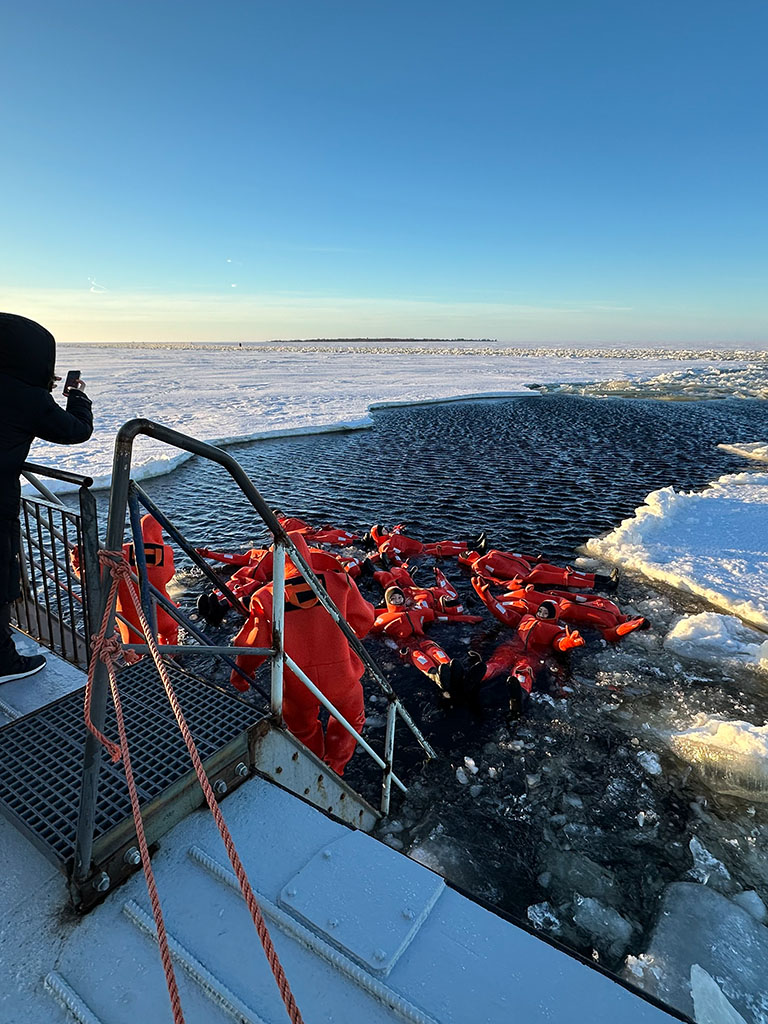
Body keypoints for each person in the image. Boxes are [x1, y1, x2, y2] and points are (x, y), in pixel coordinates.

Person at [230, 531, 375, 776]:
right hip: (342, 677)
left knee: (303, 730)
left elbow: (253, 646)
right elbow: (365, 621)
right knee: (350, 721)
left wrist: (241, 676)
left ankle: (314, 767)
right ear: (307, 555)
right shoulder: (340, 582)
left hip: (298, 687)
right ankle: (336, 767)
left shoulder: (266, 596)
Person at [0, 314, 93, 683]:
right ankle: (3, 663)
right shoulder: (28, 397)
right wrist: (77, 397)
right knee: (2, 577)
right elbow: (76, 430)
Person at [370, 585, 482, 697]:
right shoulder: (384, 619)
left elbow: (437, 616)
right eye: (393, 599)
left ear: (404, 598)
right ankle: (436, 676)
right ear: (388, 602)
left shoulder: (416, 610)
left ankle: (454, 670)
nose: (397, 601)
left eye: (399, 597)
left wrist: (466, 618)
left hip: (421, 639)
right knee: (417, 655)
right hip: (404, 644)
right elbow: (370, 631)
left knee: (433, 649)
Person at [471, 576, 649, 641]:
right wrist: (554, 593)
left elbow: (611, 634)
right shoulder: (610, 605)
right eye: (632, 617)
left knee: (522, 605)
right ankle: (488, 597)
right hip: (558, 604)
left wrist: (628, 628)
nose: (628, 617)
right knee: (524, 595)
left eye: (631, 620)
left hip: (555, 613)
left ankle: (489, 600)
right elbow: (579, 597)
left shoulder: (608, 621)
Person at [117, 515, 178, 653]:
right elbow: (169, 575)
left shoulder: (122, 552)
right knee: (171, 635)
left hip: (132, 619)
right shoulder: (166, 552)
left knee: (134, 654)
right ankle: (171, 658)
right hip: (161, 612)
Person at [458, 545, 619, 591]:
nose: (470, 552)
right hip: (527, 577)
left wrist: (534, 559)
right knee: (559, 577)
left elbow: (515, 555)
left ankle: (602, 578)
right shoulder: (478, 565)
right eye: (466, 553)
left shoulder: (492, 552)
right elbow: (488, 580)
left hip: (529, 569)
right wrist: (507, 585)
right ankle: (605, 586)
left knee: (563, 571)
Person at [365, 523, 485, 566]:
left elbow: (395, 532)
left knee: (444, 543)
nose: (386, 530)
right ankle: (477, 549)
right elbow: (386, 555)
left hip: (421, 546)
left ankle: (471, 544)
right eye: (383, 530)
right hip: (418, 553)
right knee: (443, 549)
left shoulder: (390, 536)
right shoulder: (385, 545)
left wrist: (398, 528)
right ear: (379, 535)